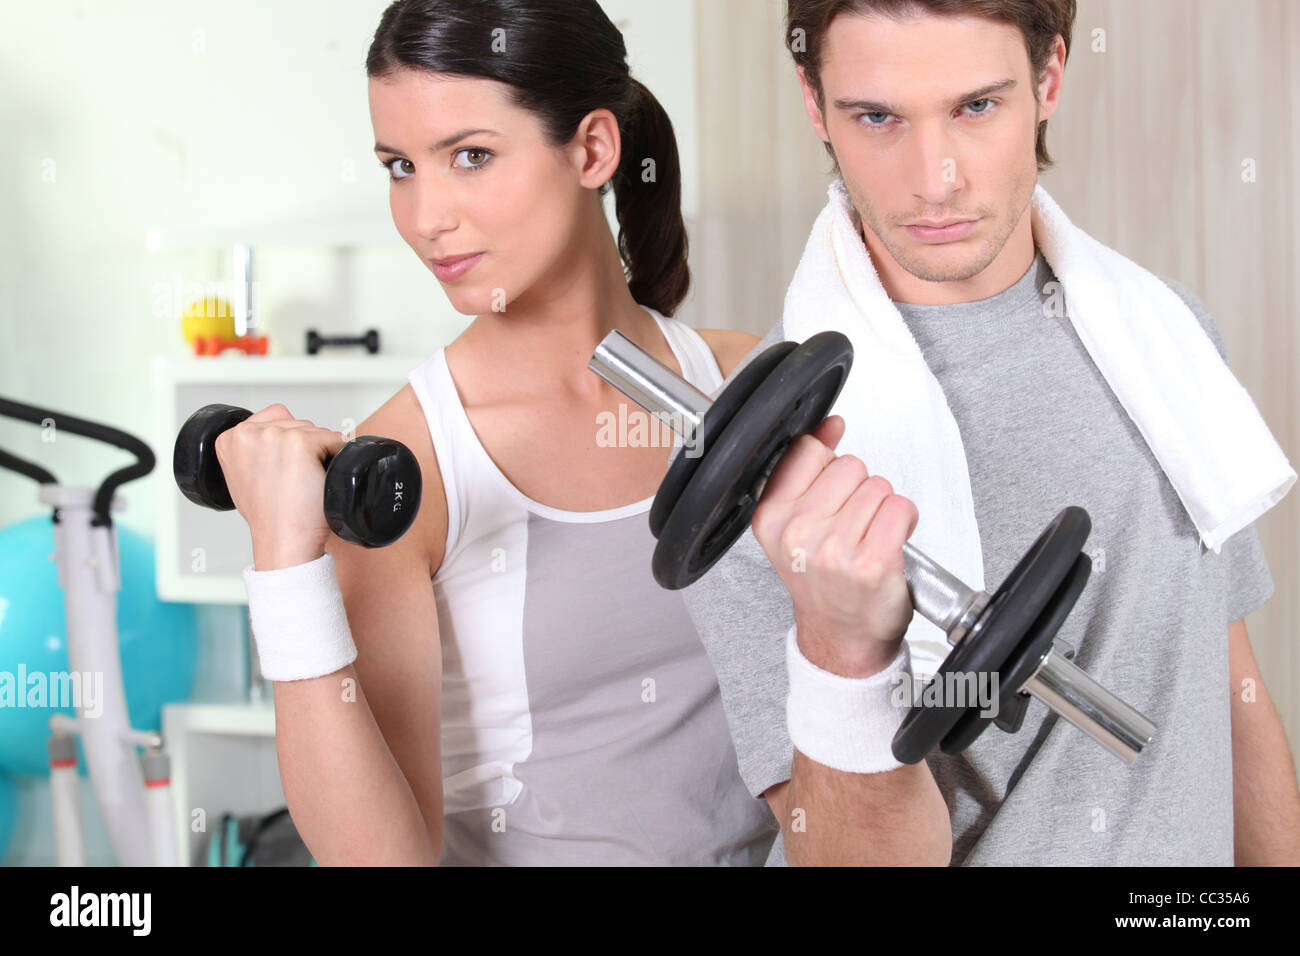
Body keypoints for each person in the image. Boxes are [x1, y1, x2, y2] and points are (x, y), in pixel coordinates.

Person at [680, 0, 1300, 865]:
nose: (935, 180)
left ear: (1049, 78)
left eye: (976, 106)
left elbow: (1228, 687)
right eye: (878, 117)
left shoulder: (1164, 335)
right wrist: (842, 646)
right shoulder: (774, 467)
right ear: (816, 104)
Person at [214, 0, 773, 865]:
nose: (425, 216)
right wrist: (287, 569)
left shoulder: (745, 386)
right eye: (401, 167)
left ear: (593, 149)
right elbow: (383, 860)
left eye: (470, 156)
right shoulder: (409, 469)